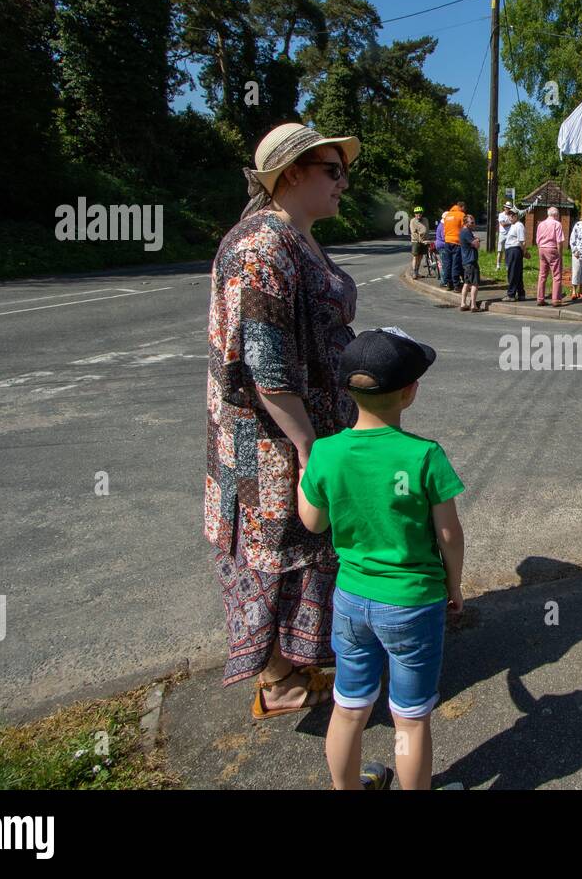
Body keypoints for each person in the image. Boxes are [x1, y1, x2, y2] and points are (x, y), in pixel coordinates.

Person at [206, 121, 361, 720]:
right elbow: (265, 364)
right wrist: (307, 447)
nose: (343, 181)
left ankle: (294, 667)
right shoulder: (261, 245)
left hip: (305, 428)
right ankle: (276, 678)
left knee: (302, 542)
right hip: (267, 443)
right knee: (273, 545)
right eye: (332, 169)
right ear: (291, 173)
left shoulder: (296, 237)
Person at [298, 328, 465, 788]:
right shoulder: (425, 456)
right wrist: (453, 585)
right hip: (413, 601)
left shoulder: (326, 453)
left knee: (349, 708)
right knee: (410, 719)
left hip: (352, 599)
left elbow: (312, 522)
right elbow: (449, 535)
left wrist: (305, 474)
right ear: (410, 393)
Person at [535, 205, 566, 306]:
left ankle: (540, 298)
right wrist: (560, 254)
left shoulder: (541, 224)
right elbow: (559, 241)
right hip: (552, 249)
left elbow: (537, 240)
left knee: (542, 274)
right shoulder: (557, 224)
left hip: (542, 249)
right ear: (556, 215)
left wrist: (540, 249)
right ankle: (555, 299)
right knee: (556, 275)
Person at [458, 213, 482, 312]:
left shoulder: (465, 232)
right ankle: (473, 305)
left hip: (466, 261)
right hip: (471, 261)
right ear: (466, 223)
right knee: (475, 284)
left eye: (474, 222)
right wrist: (477, 240)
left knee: (467, 283)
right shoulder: (466, 232)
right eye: (472, 222)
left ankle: (463, 303)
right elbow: (476, 245)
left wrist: (475, 239)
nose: (474, 224)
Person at [503, 210, 528, 301]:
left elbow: (522, 241)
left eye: (512, 215)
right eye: (509, 215)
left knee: (513, 273)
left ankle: (511, 295)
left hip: (515, 250)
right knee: (517, 273)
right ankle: (521, 294)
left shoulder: (519, 225)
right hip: (511, 250)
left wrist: (524, 252)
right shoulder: (513, 225)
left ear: (516, 216)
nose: (510, 217)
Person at [441, 201, 466, 292]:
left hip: (447, 241)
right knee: (456, 264)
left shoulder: (448, 215)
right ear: (461, 207)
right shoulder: (461, 215)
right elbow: (464, 229)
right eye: (464, 208)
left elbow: (444, 229)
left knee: (448, 263)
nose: (465, 210)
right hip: (457, 242)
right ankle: (456, 285)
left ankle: (448, 283)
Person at [409, 206, 430, 278]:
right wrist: (421, 240)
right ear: (415, 214)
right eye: (417, 213)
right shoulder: (413, 221)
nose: (419, 214)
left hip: (425, 241)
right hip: (416, 241)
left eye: (420, 213)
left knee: (420, 257)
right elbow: (414, 233)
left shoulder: (425, 220)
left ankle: (417, 272)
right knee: (415, 257)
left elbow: (427, 230)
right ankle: (414, 273)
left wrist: (427, 239)